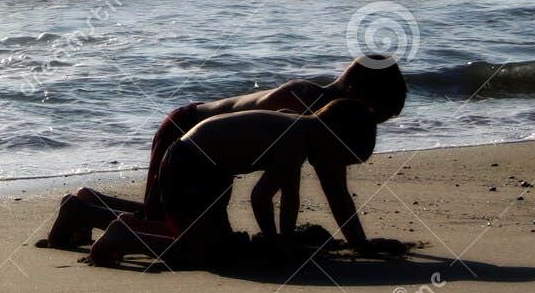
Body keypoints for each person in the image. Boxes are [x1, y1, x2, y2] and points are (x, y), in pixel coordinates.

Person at [47, 57, 406, 250]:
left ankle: (89, 202)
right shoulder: (303, 101)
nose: (370, 125)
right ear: (354, 91)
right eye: (374, 115)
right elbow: (244, 129)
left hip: (211, 168)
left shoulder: (328, 125)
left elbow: (336, 190)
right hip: (185, 135)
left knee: (187, 225)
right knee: (171, 224)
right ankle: (82, 211)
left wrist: (360, 244)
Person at [86, 98, 383, 267]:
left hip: (206, 169)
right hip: (189, 166)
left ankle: (101, 215)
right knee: (204, 253)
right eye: (340, 158)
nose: (334, 167)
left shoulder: (295, 127)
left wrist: (273, 238)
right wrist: (285, 246)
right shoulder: (295, 141)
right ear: (334, 136)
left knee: (213, 243)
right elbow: (288, 200)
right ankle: (124, 233)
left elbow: (261, 196)